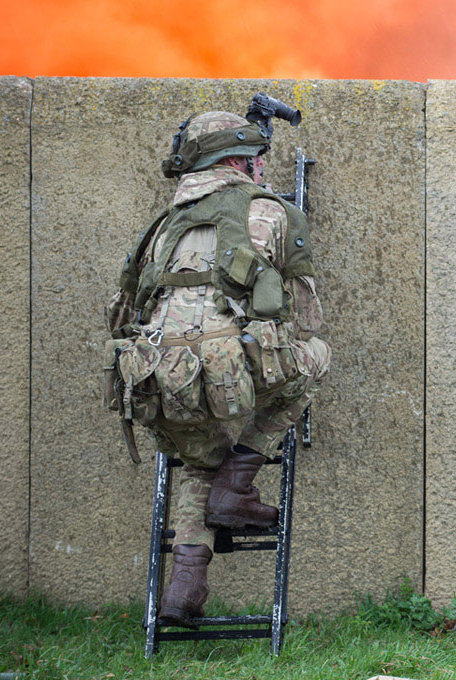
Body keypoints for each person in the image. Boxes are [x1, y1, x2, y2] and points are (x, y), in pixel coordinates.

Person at [104, 109, 331, 626]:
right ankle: (240, 477)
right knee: (316, 355)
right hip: (234, 378)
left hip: (160, 384)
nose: (259, 169)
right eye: (254, 160)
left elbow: (119, 312)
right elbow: (307, 316)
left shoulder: (159, 228)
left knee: (198, 462)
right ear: (237, 161)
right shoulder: (272, 212)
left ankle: (184, 589)